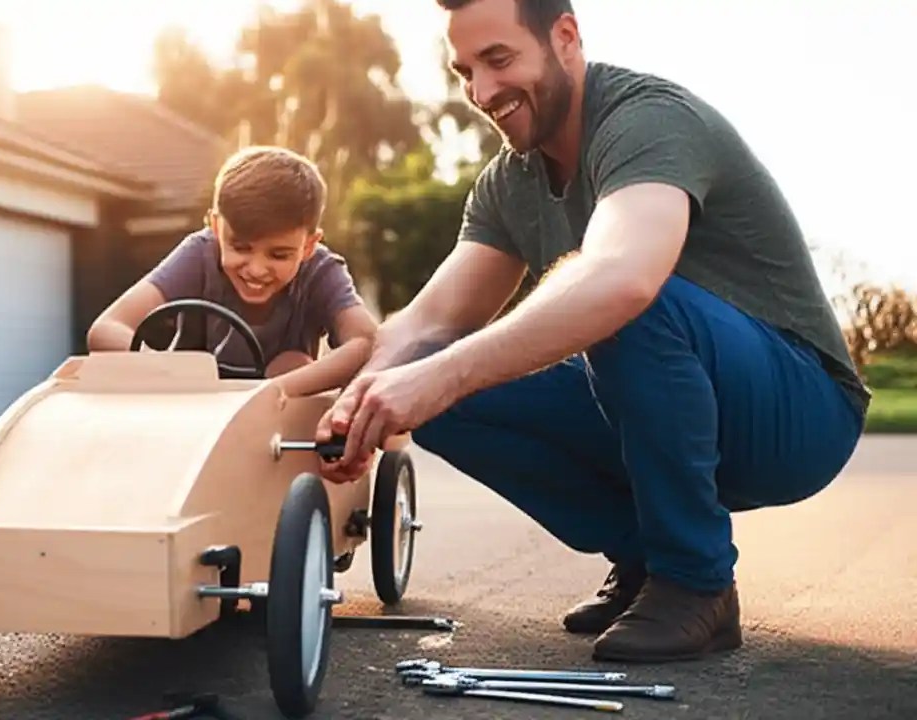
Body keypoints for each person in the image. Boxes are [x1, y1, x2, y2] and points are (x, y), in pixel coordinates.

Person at [316, 0, 868, 664]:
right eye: (465, 71)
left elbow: (623, 276)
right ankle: (643, 555)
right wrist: (362, 399)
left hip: (797, 409)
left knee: (616, 304)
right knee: (426, 381)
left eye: (499, 60)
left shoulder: (648, 120)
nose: (482, 92)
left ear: (566, 38)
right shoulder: (508, 183)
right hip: (667, 395)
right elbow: (430, 321)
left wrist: (437, 374)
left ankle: (695, 581)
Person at [87, 145, 377, 398]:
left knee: (291, 361)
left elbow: (364, 341)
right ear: (215, 227)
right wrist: (174, 374)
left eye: (278, 254)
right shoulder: (200, 253)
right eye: (241, 247)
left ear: (308, 246)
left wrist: (276, 391)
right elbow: (106, 329)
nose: (256, 269)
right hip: (192, 406)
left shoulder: (320, 272)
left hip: (278, 414)